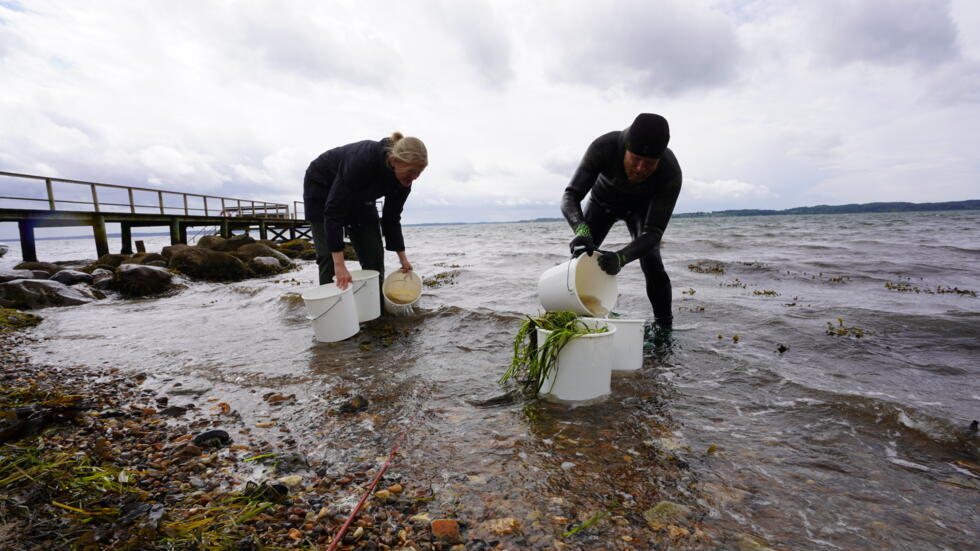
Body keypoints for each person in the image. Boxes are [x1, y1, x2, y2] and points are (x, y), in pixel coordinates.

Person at [560, 113, 682, 332]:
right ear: (625, 148)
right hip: (602, 202)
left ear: (660, 160)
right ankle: (571, 320)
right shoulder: (604, 147)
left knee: (652, 263)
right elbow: (570, 195)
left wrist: (621, 257)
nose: (640, 168)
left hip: (641, 210)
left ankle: (664, 328)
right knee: (581, 257)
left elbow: (653, 232)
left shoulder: (670, 172)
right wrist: (581, 228)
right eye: (635, 159)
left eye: (649, 164)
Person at [303, 132, 427, 298]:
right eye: (412, 171)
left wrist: (403, 259)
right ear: (395, 160)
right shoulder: (363, 160)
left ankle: (375, 311)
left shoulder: (405, 181)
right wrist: (339, 265)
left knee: (374, 255)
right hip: (322, 187)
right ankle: (331, 307)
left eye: (419, 171)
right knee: (328, 257)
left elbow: (392, 218)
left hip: (361, 198)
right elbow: (334, 210)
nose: (414, 177)